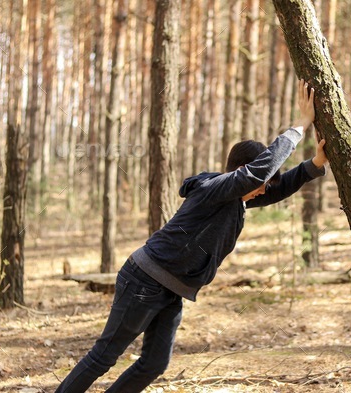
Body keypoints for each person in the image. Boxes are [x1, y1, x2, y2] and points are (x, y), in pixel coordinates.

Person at [55, 80, 328, 393]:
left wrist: (316, 164)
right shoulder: (217, 189)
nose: (263, 190)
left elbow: (275, 189)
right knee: (105, 355)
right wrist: (301, 126)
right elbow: (258, 175)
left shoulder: (235, 200)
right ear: (242, 170)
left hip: (170, 288)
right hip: (145, 280)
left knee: (154, 363)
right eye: (260, 182)